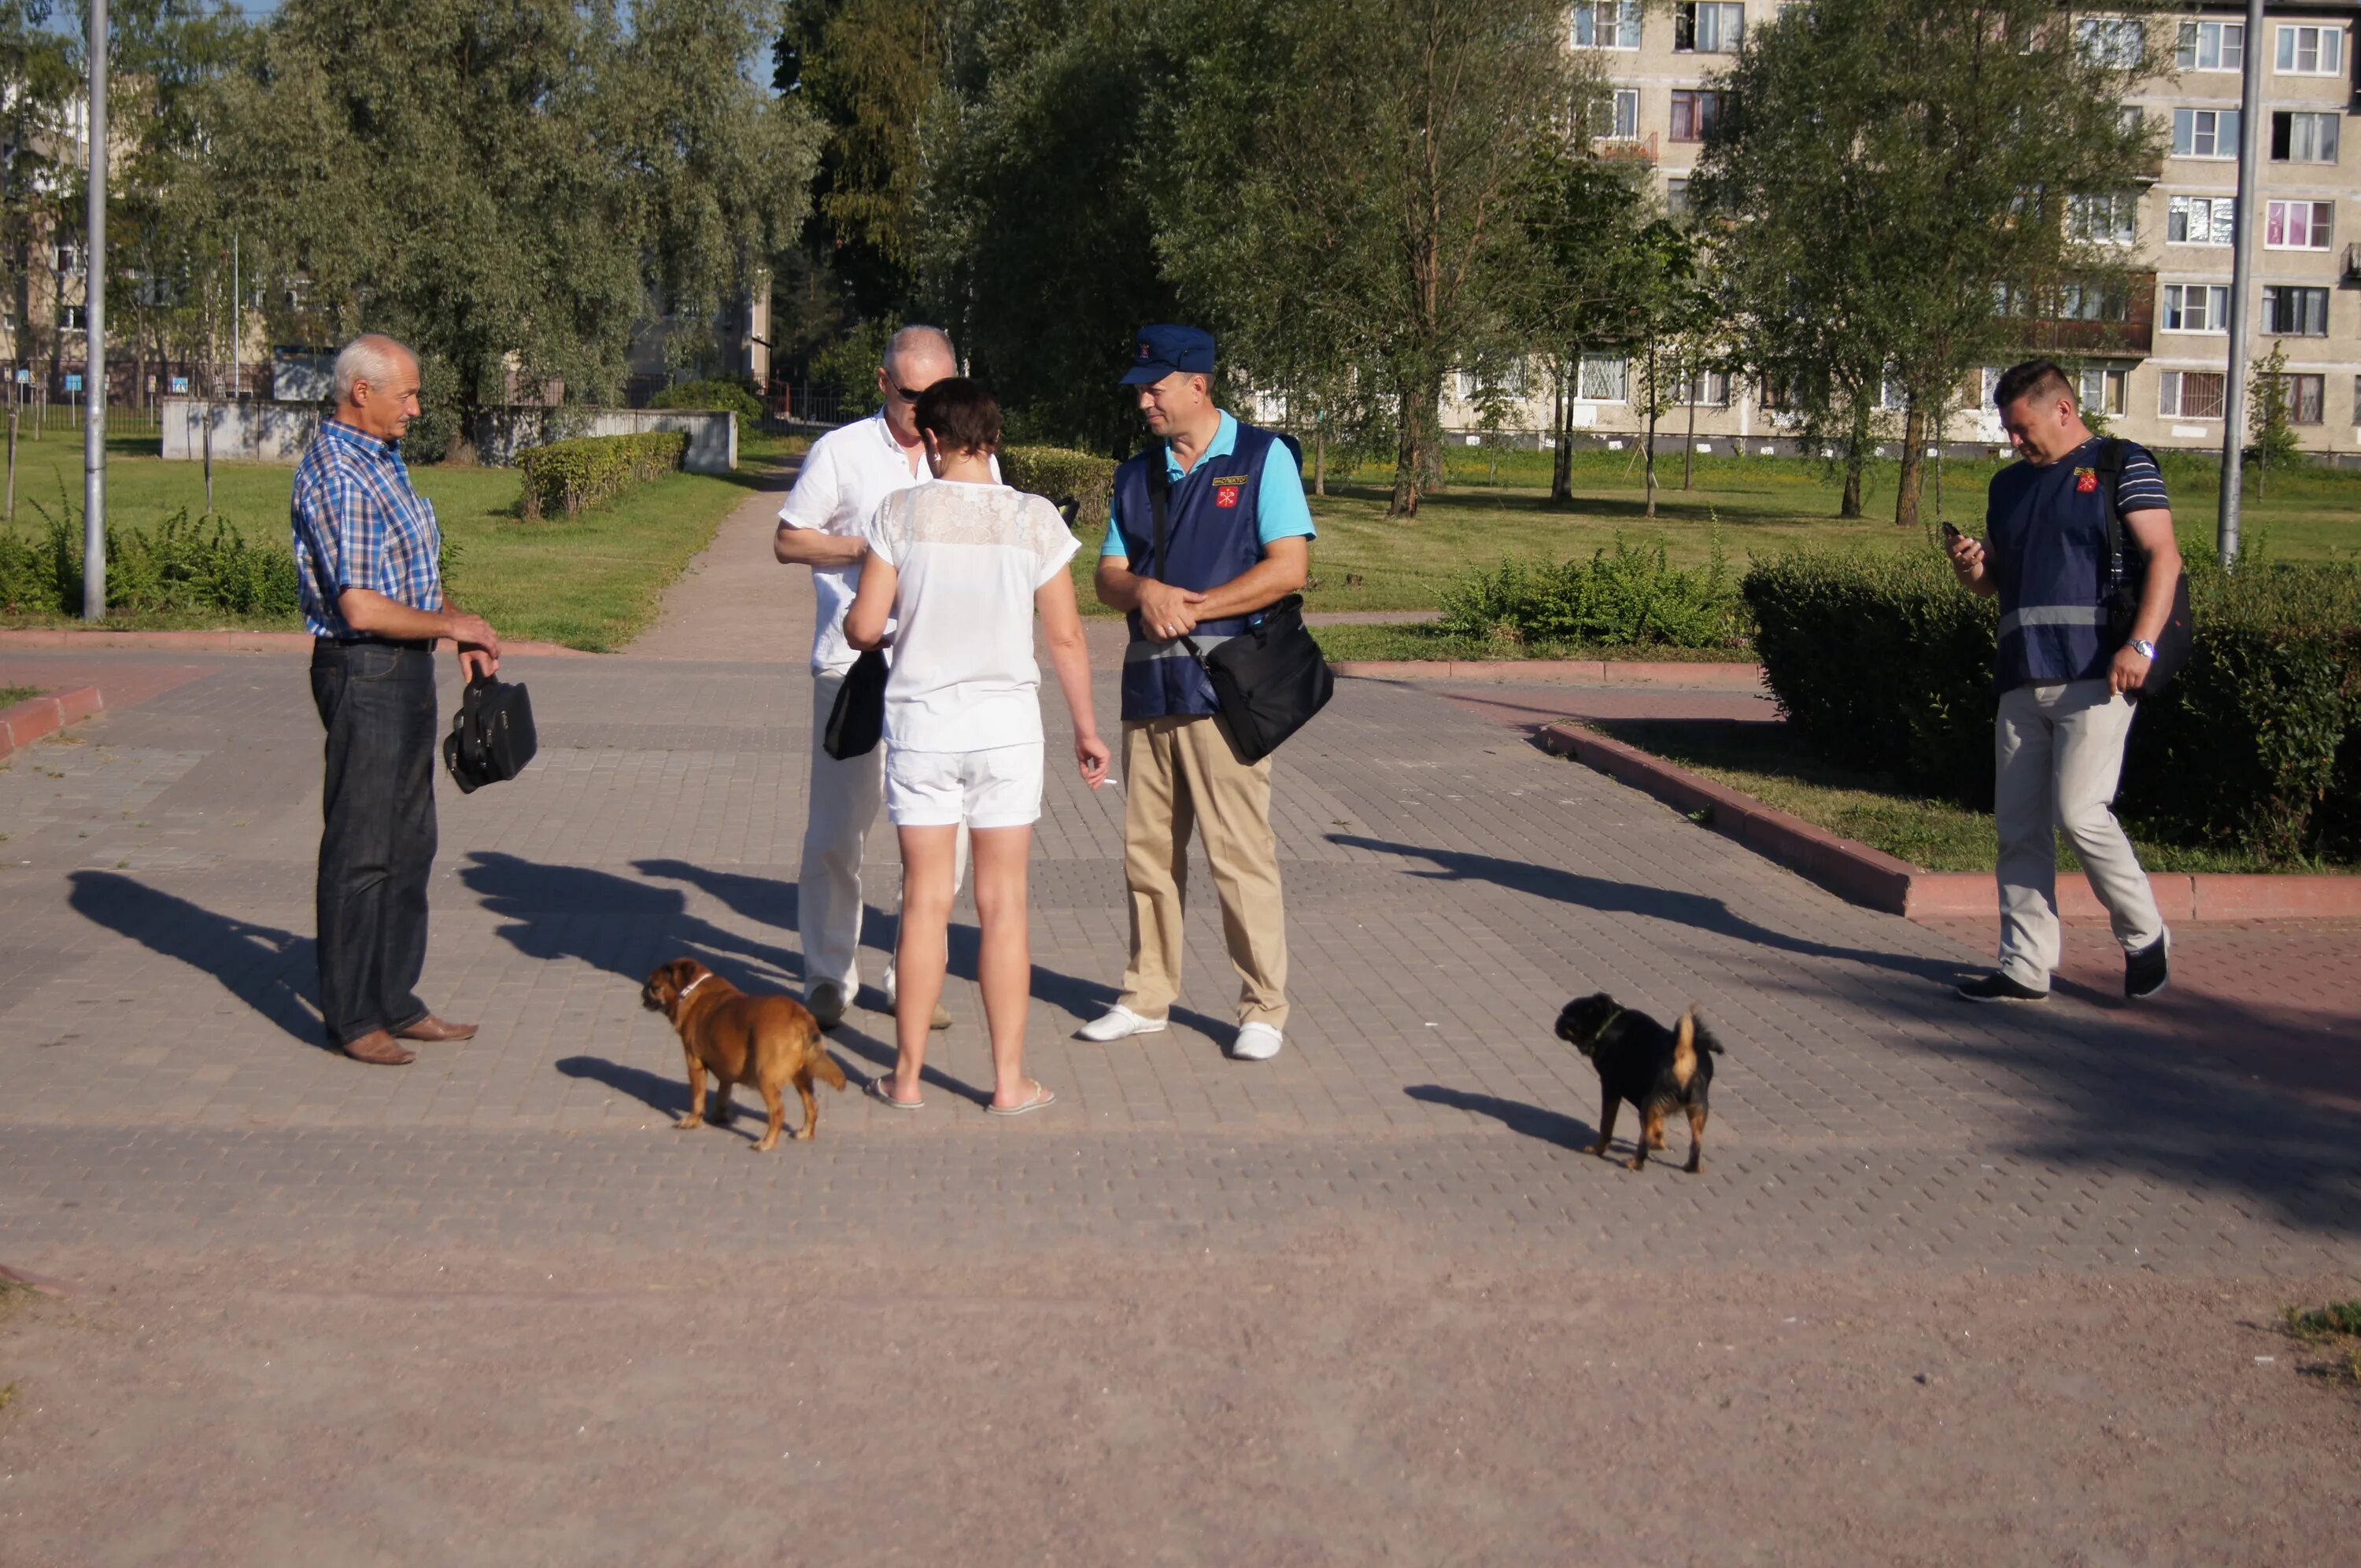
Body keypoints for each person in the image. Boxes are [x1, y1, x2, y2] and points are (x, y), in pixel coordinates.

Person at [842, 378, 1110, 1113]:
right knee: (1004, 904)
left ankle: (904, 1079)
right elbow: (1064, 634)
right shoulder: (1034, 519)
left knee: (926, 901)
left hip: (923, 731)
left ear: (933, 438)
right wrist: (1087, 728)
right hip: (1006, 732)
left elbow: (864, 627)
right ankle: (1008, 1081)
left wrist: (885, 629)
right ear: (992, 436)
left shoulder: (899, 512)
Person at [1078, 324, 1315, 1061]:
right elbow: (1107, 576)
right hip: (1150, 688)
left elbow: (1289, 569)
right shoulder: (1133, 475)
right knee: (1147, 854)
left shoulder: (1262, 459)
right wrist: (1143, 589)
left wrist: (1194, 606)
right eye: (1141, 388)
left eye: (1154, 386)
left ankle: (1263, 1008)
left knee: (1238, 854)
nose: (1143, 399)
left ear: (1198, 386)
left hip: (1225, 692)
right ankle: (1147, 995)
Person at [292, 334, 501, 1066]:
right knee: (362, 849)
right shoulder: (339, 474)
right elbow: (360, 605)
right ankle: (352, 1015)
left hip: (405, 664)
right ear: (362, 393)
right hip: (365, 668)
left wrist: (454, 626)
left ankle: (396, 998)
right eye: (406, 394)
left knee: (411, 842)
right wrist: (452, 625)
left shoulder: (380, 459)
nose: (416, 407)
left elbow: (404, 574)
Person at [774, 326, 987, 1032]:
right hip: (855, 667)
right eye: (910, 395)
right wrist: (868, 548)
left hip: (939, 673)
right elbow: (788, 537)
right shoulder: (841, 452)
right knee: (839, 831)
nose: (926, 411)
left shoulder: (969, 454)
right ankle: (830, 975)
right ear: (881, 382)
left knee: (941, 835)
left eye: (940, 394)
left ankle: (912, 974)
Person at [1945, 358, 2177, 1003]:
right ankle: (2024, 965)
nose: (2014, 442)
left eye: (2023, 429)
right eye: (2008, 431)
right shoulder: (2008, 486)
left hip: (2098, 672)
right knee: (2018, 826)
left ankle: (2145, 933)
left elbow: (2165, 555)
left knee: (2080, 813)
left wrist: (2142, 644)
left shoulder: (2120, 465)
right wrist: (1973, 569)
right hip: (2022, 674)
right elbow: (1997, 582)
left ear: (2063, 410)